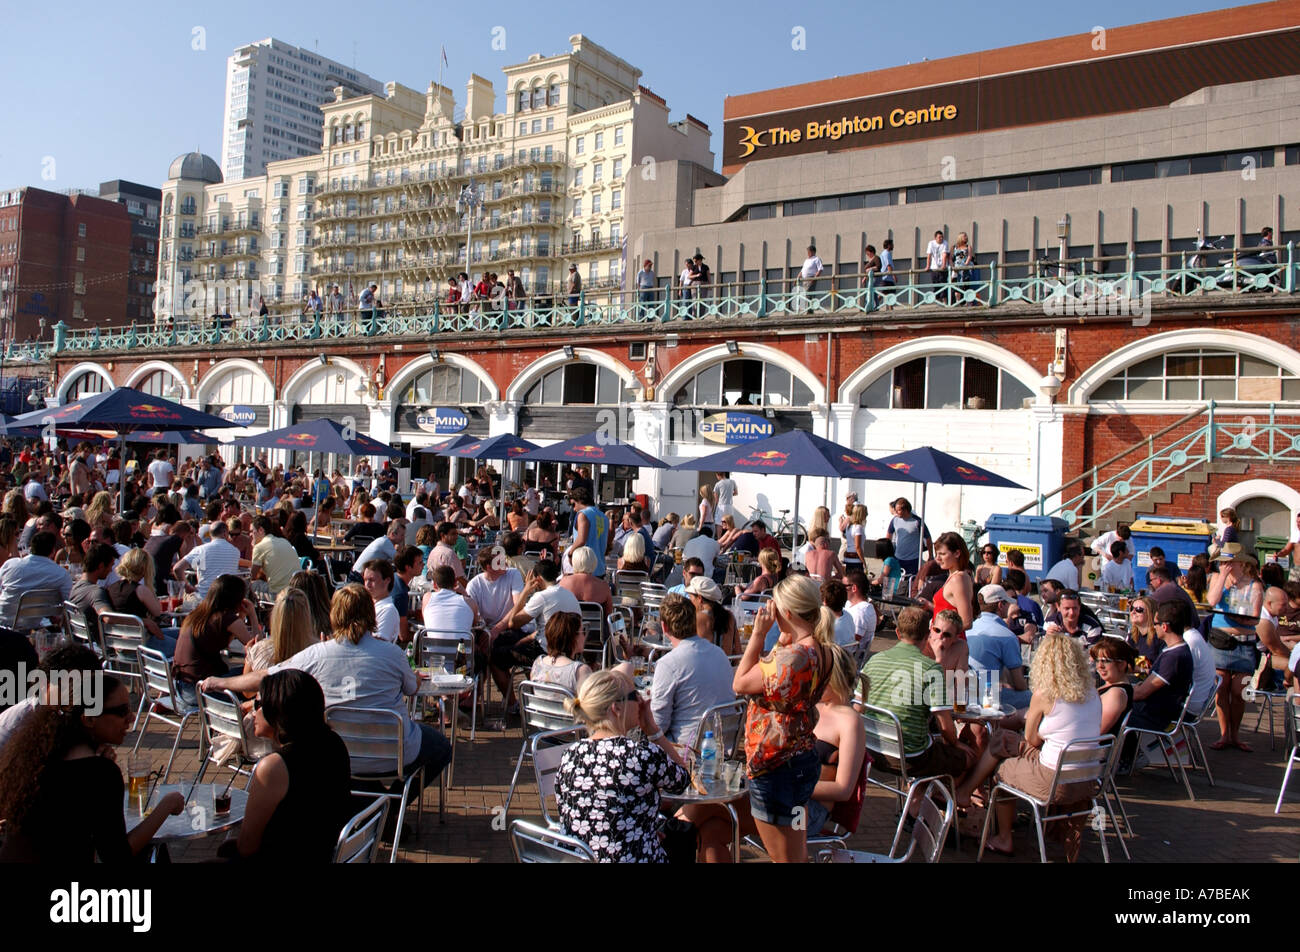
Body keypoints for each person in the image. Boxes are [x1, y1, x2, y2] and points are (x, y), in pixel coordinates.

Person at [201, 584, 452, 782]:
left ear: (335, 615)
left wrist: (220, 682)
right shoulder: (392, 653)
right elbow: (412, 689)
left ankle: (375, 804)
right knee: (441, 746)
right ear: (370, 613)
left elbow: (266, 675)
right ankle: (397, 804)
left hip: (334, 757)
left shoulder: (316, 654)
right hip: (391, 755)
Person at [0, 674, 187, 861]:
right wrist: (167, 805)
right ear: (89, 719)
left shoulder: (35, 755)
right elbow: (117, 855)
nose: (130, 718)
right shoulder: (100, 773)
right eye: (121, 711)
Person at [954, 634, 1102, 859]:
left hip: (1054, 780)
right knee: (1003, 739)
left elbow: (1031, 740)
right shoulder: (1093, 694)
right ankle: (966, 792)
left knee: (1002, 769)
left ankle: (1003, 836)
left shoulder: (1045, 694)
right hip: (1088, 780)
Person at [731, 575, 835, 862]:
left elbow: (739, 684)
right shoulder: (823, 650)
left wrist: (758, 635)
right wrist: (784, 637)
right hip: (803, 762)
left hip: (775, 766)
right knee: (797, 846)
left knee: (781, 857)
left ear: (786, 612)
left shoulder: (791, 658)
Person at [555, 669, 689, 862]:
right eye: (635, 695)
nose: (642, 701)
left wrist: (643, 832)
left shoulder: (569, 755)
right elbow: (683, 779)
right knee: (685, 837)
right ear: (616, 708)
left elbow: (578, 815)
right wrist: (652, 729)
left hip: (580, 858)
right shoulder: (642, 755)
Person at [860, 605, 974, 781]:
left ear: (898, 633)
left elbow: (961, 689)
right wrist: (938, 662)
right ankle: (939, 798)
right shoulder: (930, 666)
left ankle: (922, 798)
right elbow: (945, 726)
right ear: (928, 631)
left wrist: (959, 712)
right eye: (936, 630)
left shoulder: (875, 660)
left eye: (947, 635)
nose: (939, 637)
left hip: (871, 750)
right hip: (910, 757)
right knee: (967, 757)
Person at [647, 591, 735, 750]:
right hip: (724, 745)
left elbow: (657, 725)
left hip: (688, 750)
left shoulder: (668, 664)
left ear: (664, 627)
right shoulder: (719, 654)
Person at [1119, 600, 1196, 770]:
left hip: (1157, 714)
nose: (1154, 627)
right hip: (1156, 708)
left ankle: (1125, 758)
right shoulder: (1174, 651)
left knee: (1112, 711)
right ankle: (1123, 757)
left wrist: (1113, 693)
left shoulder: (1173, 657)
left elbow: (1142, 693)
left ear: (1165, 627)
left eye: (1156, 624)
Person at [1204, 544, 1262, 752]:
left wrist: (1236, 618)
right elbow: (1211, 601)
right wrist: (1222, 578)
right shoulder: (1217, 580)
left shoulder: (1254, 585)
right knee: (1221, 687)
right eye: (1223, 562)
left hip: (1244, 643)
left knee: (1240, 691)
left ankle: (1235, 734)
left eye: (1230, 562)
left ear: (1241, 563)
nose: (1226, 565)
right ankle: (1223, 734)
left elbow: (1254, 619)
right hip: (1221, 641)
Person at [968, 584, 1032, 708]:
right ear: (1000, 605)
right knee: (1033, 699)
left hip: (964, 692)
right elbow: (1019, 684)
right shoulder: (1007, 636)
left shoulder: (969, 628)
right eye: (1007, 603)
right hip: (987, 697)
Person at [106, 548, 176, 657]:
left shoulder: (110, 588)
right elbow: (158, 612)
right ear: (144, 569)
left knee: (179, 633)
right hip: (142, 645)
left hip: (121, 645)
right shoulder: (141, 590)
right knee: (184, 645)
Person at [0, 531, 72, 627]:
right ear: (53, 551)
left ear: (31, 548)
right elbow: (69, 604)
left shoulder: (10, 564)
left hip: (3, 622)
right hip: (31, 625)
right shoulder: (60, 574)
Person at [172, 520, 242, 598]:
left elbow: (177, 568)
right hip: (227, 598)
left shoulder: (200, 550)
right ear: (225, 533)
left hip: (204, 597)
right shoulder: (235, 551)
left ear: (211, 534)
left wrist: (187, 587)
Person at [529, 612, 592, 696]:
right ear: (573, 637)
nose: (584, 636)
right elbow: (591, 706)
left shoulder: (537, 664)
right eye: (582, 631)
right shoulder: (580, 671)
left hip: (542, 709)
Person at [928, 532, 974, 632]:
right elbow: (948, 611)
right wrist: (929, 605)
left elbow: (966, 621)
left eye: (942, 554)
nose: (937, 558)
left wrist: (942, 634)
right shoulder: (954, 576)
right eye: (937, 554)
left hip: (949, 643)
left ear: (957, 553)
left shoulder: (958, 579)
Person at [1092, 637, 1138, 734]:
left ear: (1121, 665)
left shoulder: (1116, 693)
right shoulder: (1109, 687)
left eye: (1106, 661)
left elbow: (1097, 732)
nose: (1100, 666)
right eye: (1097, 660)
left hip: (1098, 747)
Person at [688, 574, 740, 655]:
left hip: (704, 666)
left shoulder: (698, 618)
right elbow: (738, 651)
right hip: (726, 665)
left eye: (690, 598)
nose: (690, 602)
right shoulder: (730, 616)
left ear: (699, 598)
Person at [558, 545, 614, 621]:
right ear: (594, 562)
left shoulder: (564, 582)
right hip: (597, 631)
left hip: (571, 630)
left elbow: (559, 609)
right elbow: (609, 615)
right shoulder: (603, 586)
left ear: (574, 561)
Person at [249, 516, 301, 597]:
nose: (250, 534)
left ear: (261, 530)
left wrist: (254, 547)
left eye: (252, 531)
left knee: (251, 584)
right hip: (295, 592)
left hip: (278, 594)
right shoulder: (284, 541)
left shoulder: (259, 547)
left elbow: (252, 576)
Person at [566, 487, 608, 579]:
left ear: (580, 500)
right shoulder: (603, 516)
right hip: (600, 566)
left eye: (573, 504)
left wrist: (570, 553)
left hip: (585, 567)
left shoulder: (583, 514)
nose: (574, 509)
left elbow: (581, 539)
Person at [886, 499, 930, 577]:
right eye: (895, 510)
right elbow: (889, 534)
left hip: (913, 560)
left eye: (898, 510)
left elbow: (928, 538)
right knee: (894, 582)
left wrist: (931, 555)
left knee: (911, 583)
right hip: (898, 558)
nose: (896, 512)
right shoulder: (894, 520)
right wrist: (887, 552)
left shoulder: (918, 521)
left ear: (905, 510)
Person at [1147, 564, 1199, 630]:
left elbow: (1146, 604)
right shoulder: (1174, 587)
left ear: (1158, 580)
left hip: (1186, 631)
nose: (1150, 583)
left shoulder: (1166, 590)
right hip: (1191, 629)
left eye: (1151, 580)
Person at [821, 578, 859, 648]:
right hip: (848, 655)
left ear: (825, 602)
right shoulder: (848, 615)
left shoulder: (828, 625)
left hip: (835, 657)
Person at [1127, 595, 1161, 666]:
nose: (1133, 612)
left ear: (1150, 614)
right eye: (1131, 608)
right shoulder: (1132, 636)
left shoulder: (1158, 637)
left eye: (1139, 609)